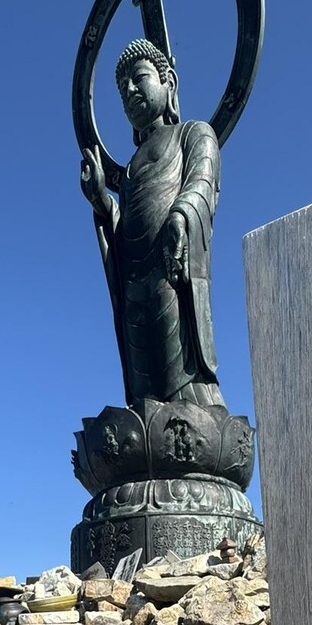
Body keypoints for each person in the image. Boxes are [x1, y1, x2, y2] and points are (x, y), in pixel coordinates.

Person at [80, 38, 226, 410]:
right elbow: (123, 231)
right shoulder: (128, 172)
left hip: (172, 277)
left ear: (168, 84)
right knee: (143, 403)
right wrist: (101, 199)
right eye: (122, 88)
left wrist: (180, 215)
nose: (130, 91)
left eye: (139, 77)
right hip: (135, 290)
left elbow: (201, 184)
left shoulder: (194, 135)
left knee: (183, 398)